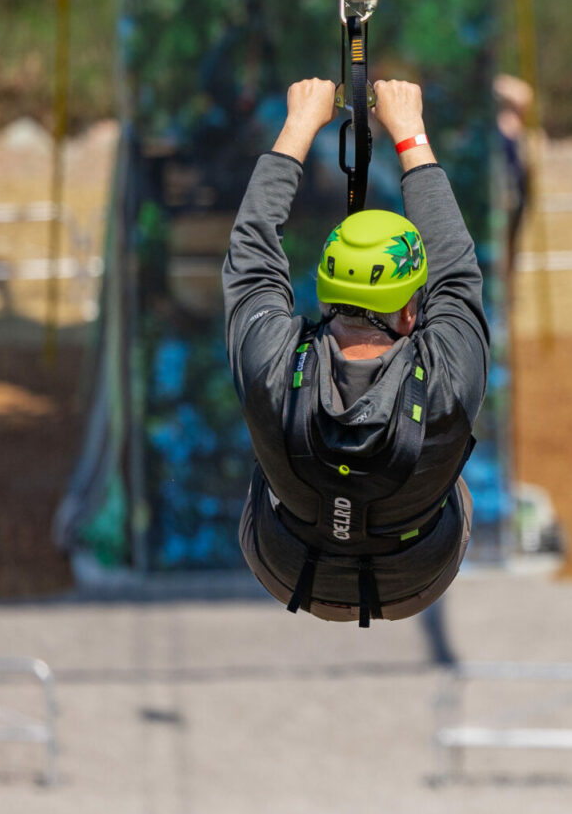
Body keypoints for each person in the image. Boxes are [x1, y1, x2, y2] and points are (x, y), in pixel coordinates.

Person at [224, 78, 490, 625]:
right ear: (412, 312)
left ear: (325, 289)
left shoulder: (269, 361)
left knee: (266, 435)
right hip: (417, 578)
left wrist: (299, 124)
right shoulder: (451, 377)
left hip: (286, 568)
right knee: (453, 463)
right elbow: (456, 270)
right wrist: (410, 132)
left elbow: (252, 251)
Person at [494, 73, 533, 273]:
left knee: (509, 254)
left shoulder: (508, 119)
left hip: (513, 194)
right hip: (495, 197)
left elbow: (524, 94)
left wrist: (493, 83)